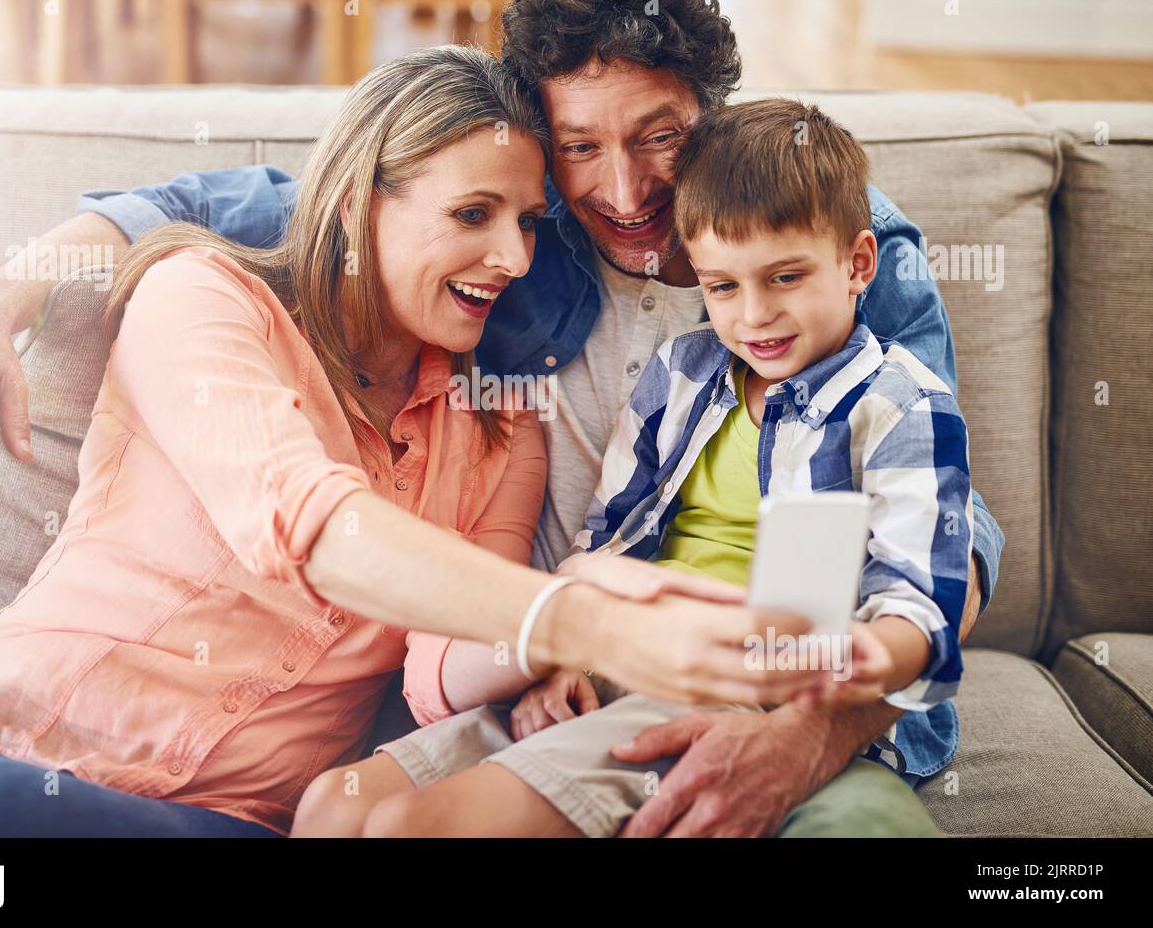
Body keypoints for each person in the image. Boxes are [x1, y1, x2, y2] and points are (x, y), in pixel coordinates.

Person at [0, 0, 1003, 836]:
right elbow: (236, 202)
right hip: (39, 758)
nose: (620, 193)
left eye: (660, 138)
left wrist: (804, 725)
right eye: (577, 151)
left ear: (709, 116)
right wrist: (0, 292)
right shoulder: (480, 256)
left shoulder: (836, 244)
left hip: (791, 684)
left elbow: (949, 535)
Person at [291, 98, 974, 838]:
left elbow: (924, 597)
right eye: (722, 286)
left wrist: (867, 653)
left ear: (859, 264)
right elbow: (606, 541)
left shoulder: (901, 405)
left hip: (722, 685)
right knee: (335, 806)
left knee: (410, 828)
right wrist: (567, 664)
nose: (755, 316)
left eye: (785, 277)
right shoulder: (682, 372)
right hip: (614, 657)